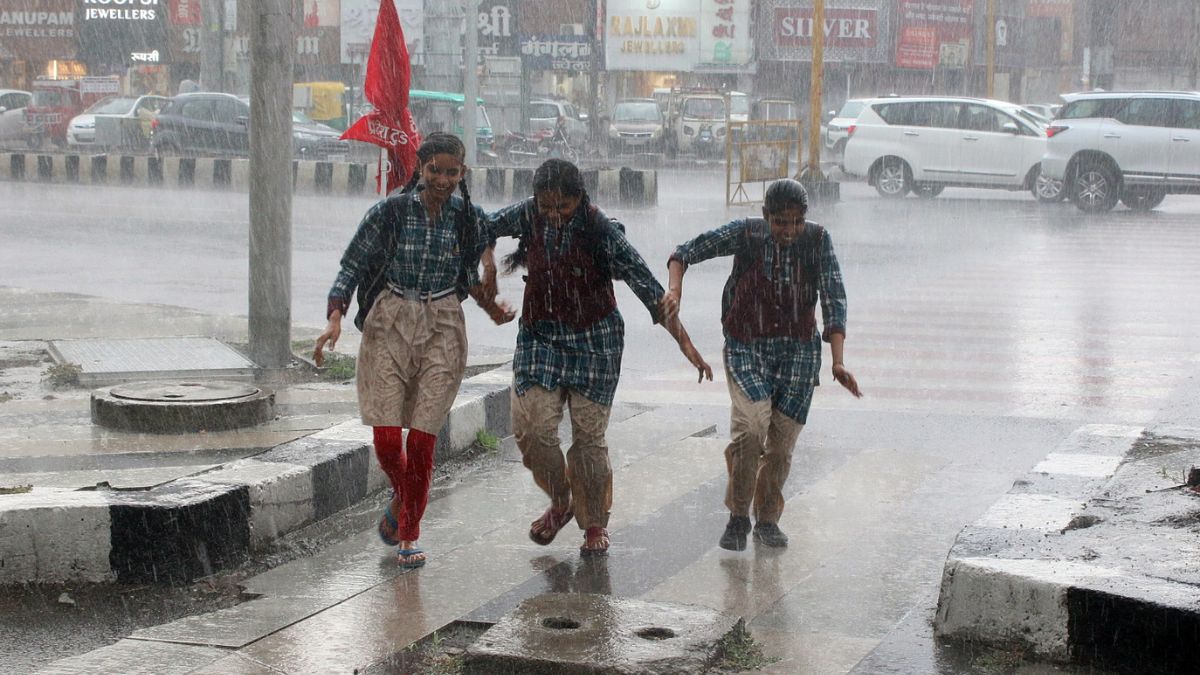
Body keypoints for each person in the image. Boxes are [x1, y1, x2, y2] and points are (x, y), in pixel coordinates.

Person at [487, 158, 712, 557]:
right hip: (541, 337)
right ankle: (561, 501)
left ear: (580, 199)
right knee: (532, 431)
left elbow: (647, 285)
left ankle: (593, 522)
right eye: (547, 207)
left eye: (564, 207)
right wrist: (486, 266)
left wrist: (686, 344)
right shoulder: (529, 213)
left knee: (589, 441)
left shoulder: (599, 229)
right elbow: (482, 228)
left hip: (596, 342)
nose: (554, 216)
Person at [314, 132, 514, 569]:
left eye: (451, 172)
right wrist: (335, 315)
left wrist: (492, 307)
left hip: (444, 322)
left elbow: (475, 278)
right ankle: (404, 495)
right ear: (420, 169)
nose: (442, 179)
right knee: (387, 442)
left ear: (462, 174)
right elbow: (352, 265)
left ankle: (409, 532)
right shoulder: (390, 212)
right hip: (389, 319)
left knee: (422, 441)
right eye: (434, 170)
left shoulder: (469, 219)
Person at [662, 179, 862, 551]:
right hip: (746, 347)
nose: (789, 231)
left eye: (796, 222)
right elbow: (684, 252)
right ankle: (738, 515)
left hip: (799, 355)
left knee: (781, 448)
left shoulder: (818, 241)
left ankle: (767, 519)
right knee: (751, 430)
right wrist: (675, 290)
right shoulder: (747, 234)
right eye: (780, 222)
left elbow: (835, 297)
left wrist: (838, 361)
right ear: (765, 216)